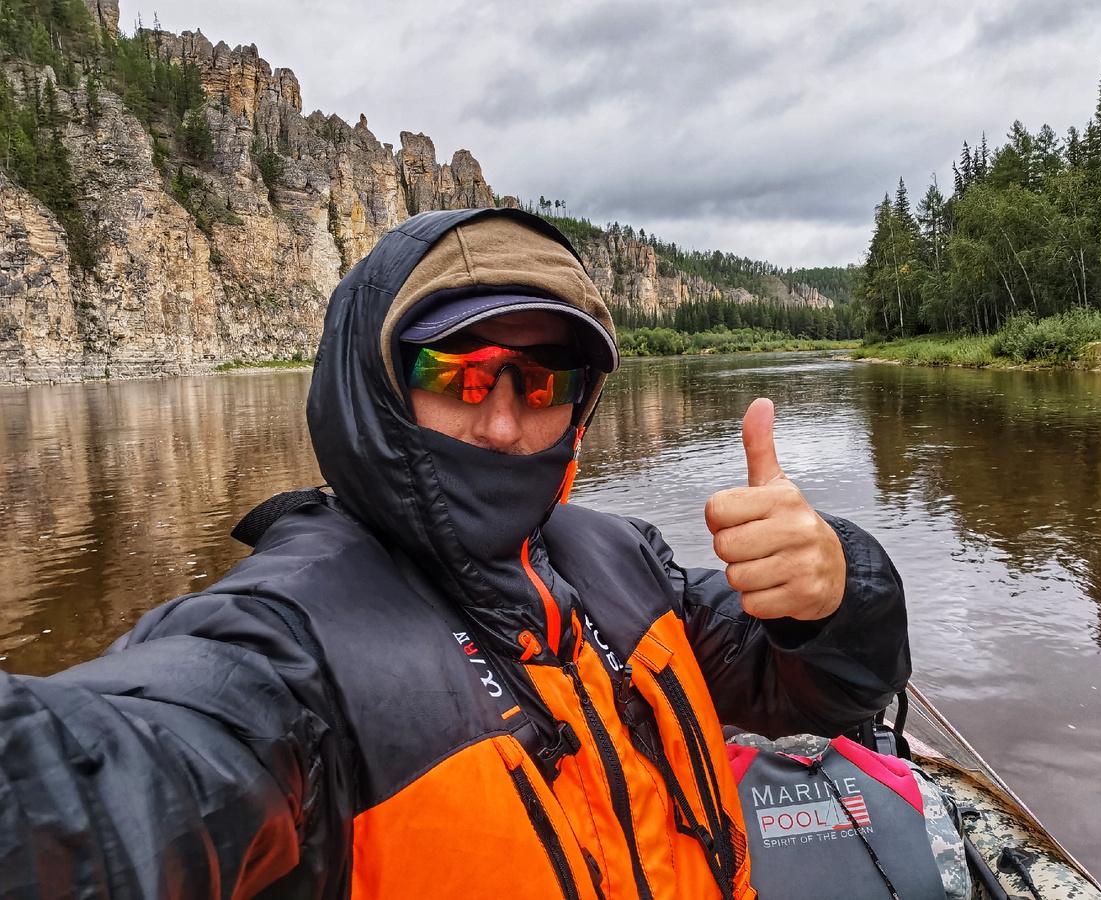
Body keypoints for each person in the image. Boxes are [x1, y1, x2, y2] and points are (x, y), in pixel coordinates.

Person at [0, 208, 910, 899]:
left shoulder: (621, 557)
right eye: (456, 372)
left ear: (580, 403)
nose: (505, 422)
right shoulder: (287, 646)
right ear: (380, 386)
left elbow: (820, 693)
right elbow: (122, 777)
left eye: (542, 379)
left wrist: (836, 591)